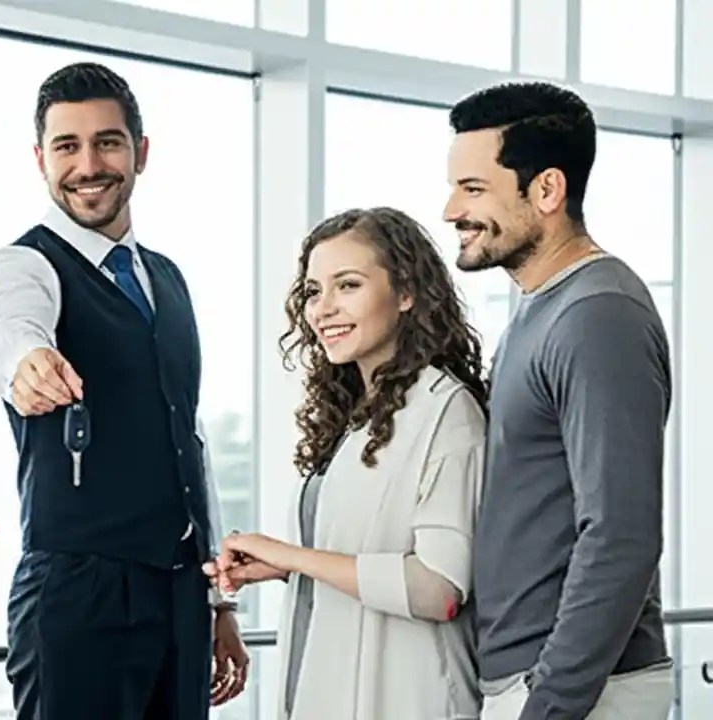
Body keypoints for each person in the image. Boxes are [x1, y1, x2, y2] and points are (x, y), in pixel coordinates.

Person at [0, 61, 249, 720]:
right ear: (40, 159)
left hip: (181, 591)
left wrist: (217, 600)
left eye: (108, 142)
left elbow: (192, 441)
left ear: (140, 152)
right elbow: (9, 326)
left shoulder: (168, 280)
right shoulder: (25, 265)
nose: (88, 163)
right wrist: (27, 361)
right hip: (78, 593)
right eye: (67, 146)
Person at [443, 80, 674, 720]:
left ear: (546, 190)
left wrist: (549, 704)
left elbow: (621, 535)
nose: (450, 210)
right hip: (535, 683)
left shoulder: (598, 315)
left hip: (580, 692)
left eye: (473, 188)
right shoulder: (540, 310)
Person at [204, 207, 489, 719]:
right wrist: (286, 569)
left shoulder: (447, 411)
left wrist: (295, 557)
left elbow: (439, 589)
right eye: (314, 291)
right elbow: (366, 560)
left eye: (348, 285)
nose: (323, 309)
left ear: (407, 293)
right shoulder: (355, 417)